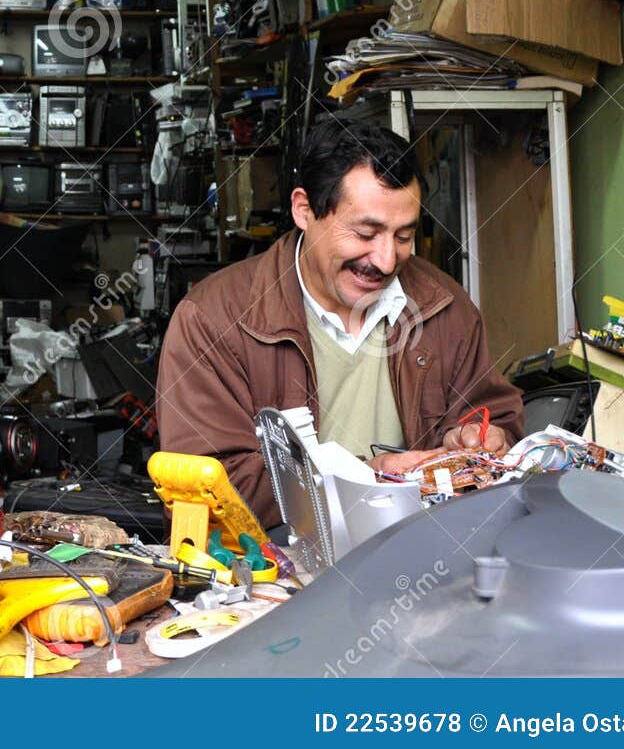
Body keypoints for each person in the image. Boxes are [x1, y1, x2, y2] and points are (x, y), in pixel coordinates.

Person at [156, 119, 524, 526]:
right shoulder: (212, 321)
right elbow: (211, 491)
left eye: (403, 236)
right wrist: (369, 475)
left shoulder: (444, 306)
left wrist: (477, 439)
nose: (386, 260)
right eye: (366, 233)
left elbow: (496, 416)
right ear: (304, 210)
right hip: (274, 568)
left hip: (422, 551)